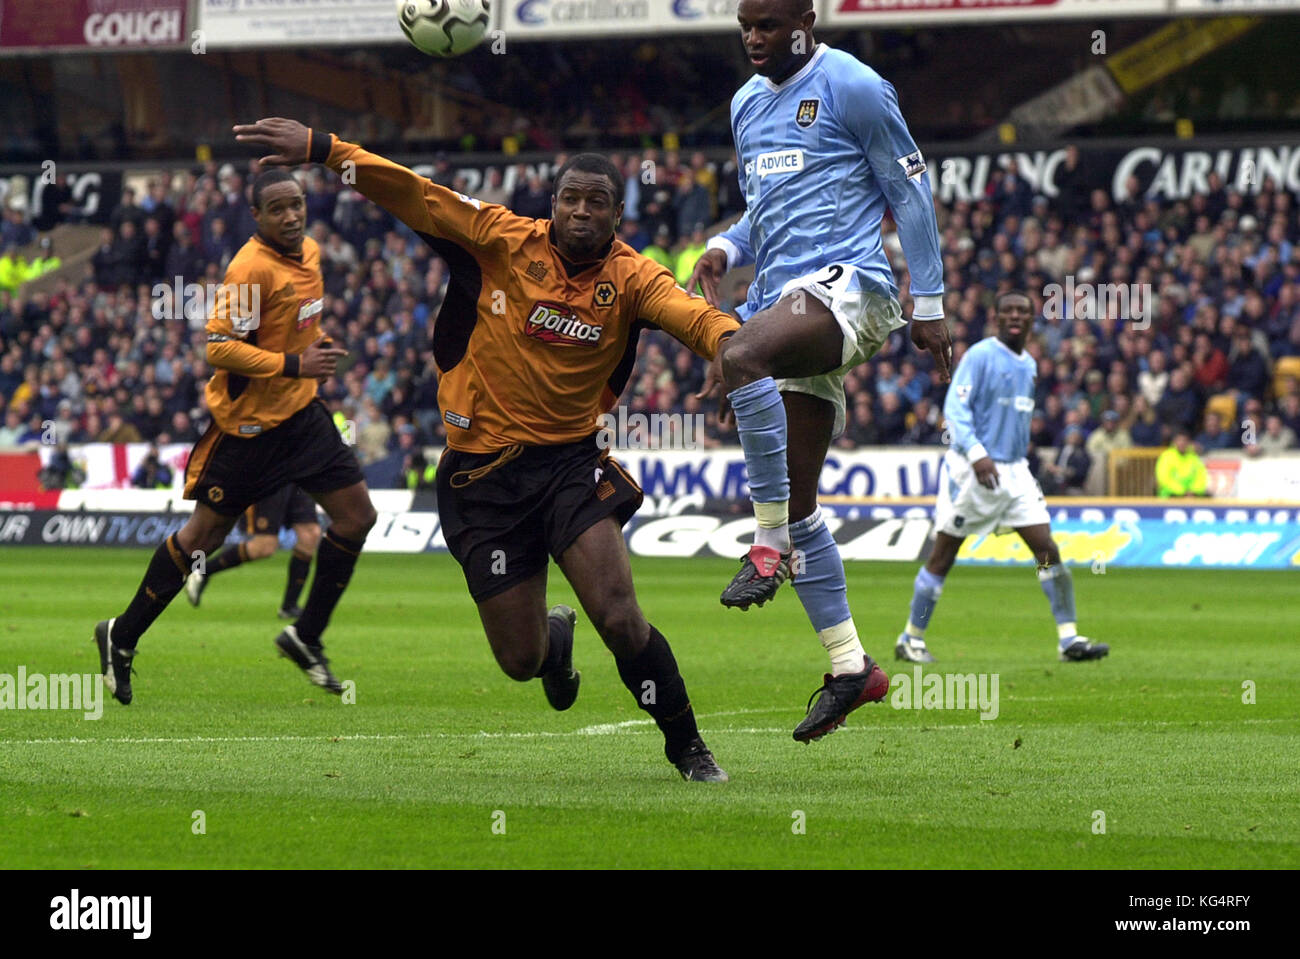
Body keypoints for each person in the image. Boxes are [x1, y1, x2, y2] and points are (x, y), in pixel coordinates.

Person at [233, 117, 741, 782]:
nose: (580, 211)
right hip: (480, 480)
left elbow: (692, 315)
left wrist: (732, 347)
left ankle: (688, 747)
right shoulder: (501, 239)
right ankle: (554, 644)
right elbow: (414, 193)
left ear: (620, 212)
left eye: (596, 202)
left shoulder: (634, 278)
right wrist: (327, 151)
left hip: (568, 466)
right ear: (552, 202)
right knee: (520, 660)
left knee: (619, 614)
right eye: (569, 198)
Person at [687, 0, 951, 743]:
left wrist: (927, 300)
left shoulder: (855, 85)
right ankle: (849, 667)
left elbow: (909, 191)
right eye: (745, 25)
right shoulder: (745, 104)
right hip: (786, 299)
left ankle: (763, 546)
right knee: (802, 504)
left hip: (852, 287)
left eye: (767, 24)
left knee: (739, 353)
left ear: (805, 21)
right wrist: (725, 249)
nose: (752, 37)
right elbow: (764, 211)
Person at [94, 168, 378, 706]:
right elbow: (218, 349)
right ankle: (121, 635)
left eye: (296, 204)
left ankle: (305, 634)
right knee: (202, 539)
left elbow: (293, 325)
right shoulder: (251, 270)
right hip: (248, 431)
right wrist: (297, 362)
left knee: (358, 516)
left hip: (302, 417)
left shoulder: (312, 254)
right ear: (257, 217)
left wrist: (314, 350)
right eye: (277, 209)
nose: (291, 216)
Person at [895, 291, 1108, 665]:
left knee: (1046, 551)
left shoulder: (1028, 365)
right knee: (942, 558)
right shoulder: (980, 356)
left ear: (1030, 319)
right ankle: (911, 637)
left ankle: (1068, 638)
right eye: (1007, 310)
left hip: (1014, 474)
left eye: (1022, 311)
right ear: (996, 317)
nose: (1014, 316)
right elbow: (955, 411)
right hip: (973, 471)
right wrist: (978, 454)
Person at [185, 484, 322, 619]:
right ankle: (202, 571)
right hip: (273, 474)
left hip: (299, 473)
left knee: (310, 535)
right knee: (264, 546)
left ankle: (289, 607)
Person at [1155, 428, 1209, 497]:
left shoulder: (1194, 458)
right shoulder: (1166, 457)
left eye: (1184, 440)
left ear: (1188, 442)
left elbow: (1201, 478)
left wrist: (1193, 491)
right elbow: (1164, 479)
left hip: (1192, 496)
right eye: (1179, 440)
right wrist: (1183, 491)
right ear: (1174, 442)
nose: (1182, 443)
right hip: (1171, 496)